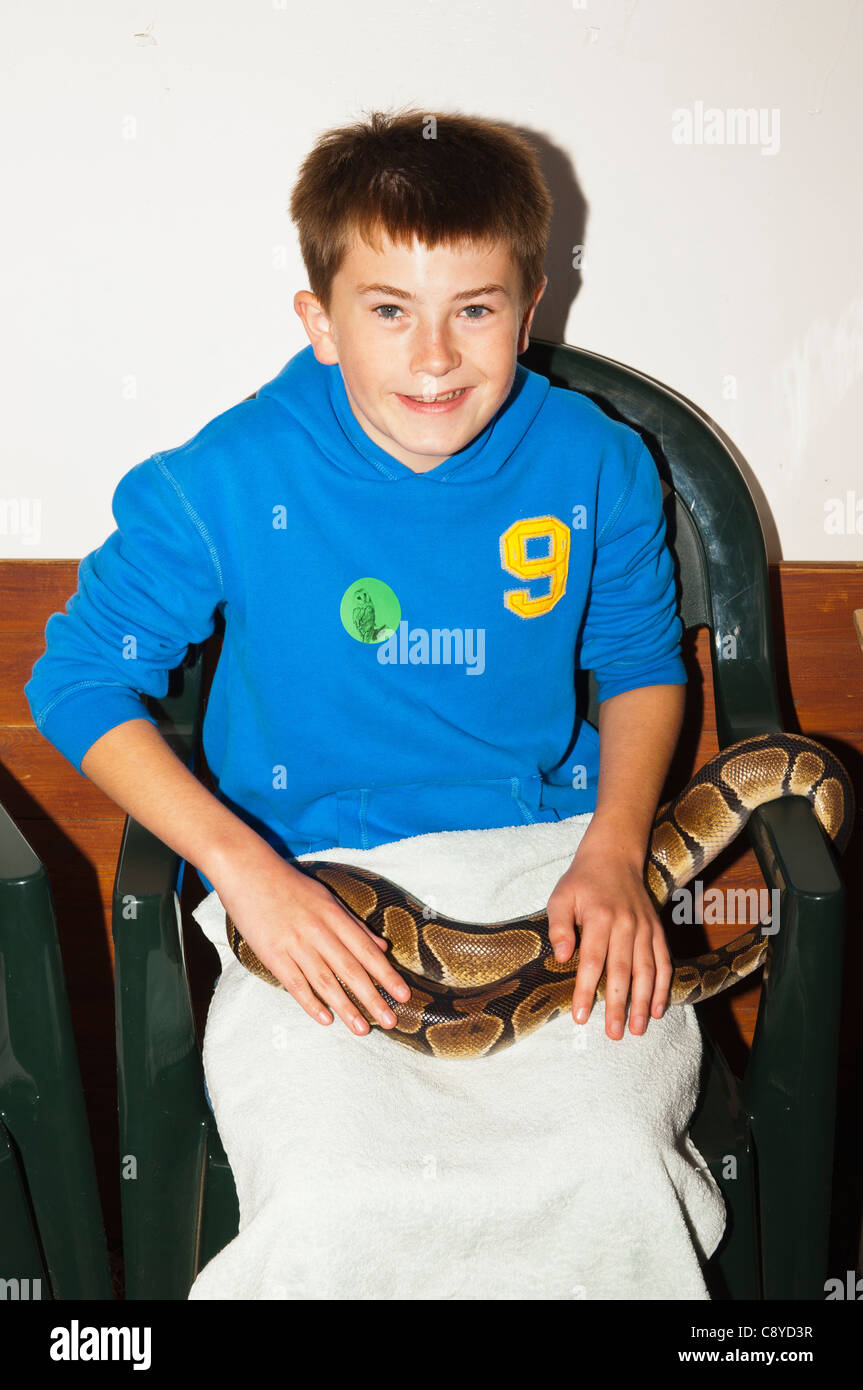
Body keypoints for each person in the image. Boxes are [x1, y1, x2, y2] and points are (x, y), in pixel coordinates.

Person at [25, 106, 687, 1054]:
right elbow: (78, 679)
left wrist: (618, 852)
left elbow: (638, 661)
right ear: (320, 322)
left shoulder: (598, 462)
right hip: (298, 873)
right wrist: (241, 872)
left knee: (618, 1162)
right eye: (388, 310)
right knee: (339, 1188)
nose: (434, 358)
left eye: (475, 308)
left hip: (550, 850)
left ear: (527, 309)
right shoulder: (223, 480)